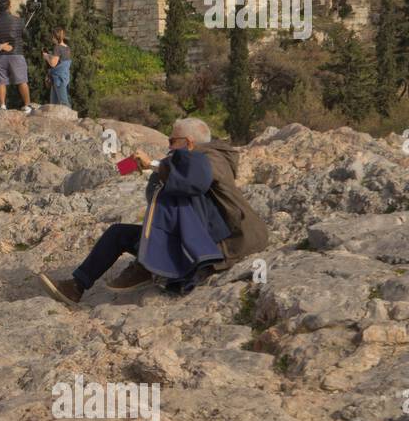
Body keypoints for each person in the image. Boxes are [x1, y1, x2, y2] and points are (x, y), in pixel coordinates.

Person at [38, 118, 267, 306]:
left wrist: (156, 166)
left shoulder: (211, 158)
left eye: (171, 140)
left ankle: (147, 266)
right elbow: (130, 170)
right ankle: (76, 286)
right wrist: (130, 165)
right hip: (197, 233)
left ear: (188, 143)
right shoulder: (182, 159)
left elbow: (195, 181)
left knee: (166, 199)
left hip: (227, 241)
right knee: (118, 233)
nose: (168, 145)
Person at [0, 0, 32, 113]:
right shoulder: (18, 21)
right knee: (22, 81)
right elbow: (27, 37)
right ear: (9, 6)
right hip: (17, 55)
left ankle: (2, 105)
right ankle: (27, 106)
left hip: (0, 56)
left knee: (1, 81)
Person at [42, 27, 72, 108]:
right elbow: (60, 60)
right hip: (64, 77)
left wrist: (46, 56)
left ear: (55, 37)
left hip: (58, 79)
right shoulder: (67, 48)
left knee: (64, 103)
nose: (52, 38)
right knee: (54, 104)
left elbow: (53, 63)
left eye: (52, 36)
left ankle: (68, 119)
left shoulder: (57, 47)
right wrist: (50, 56)